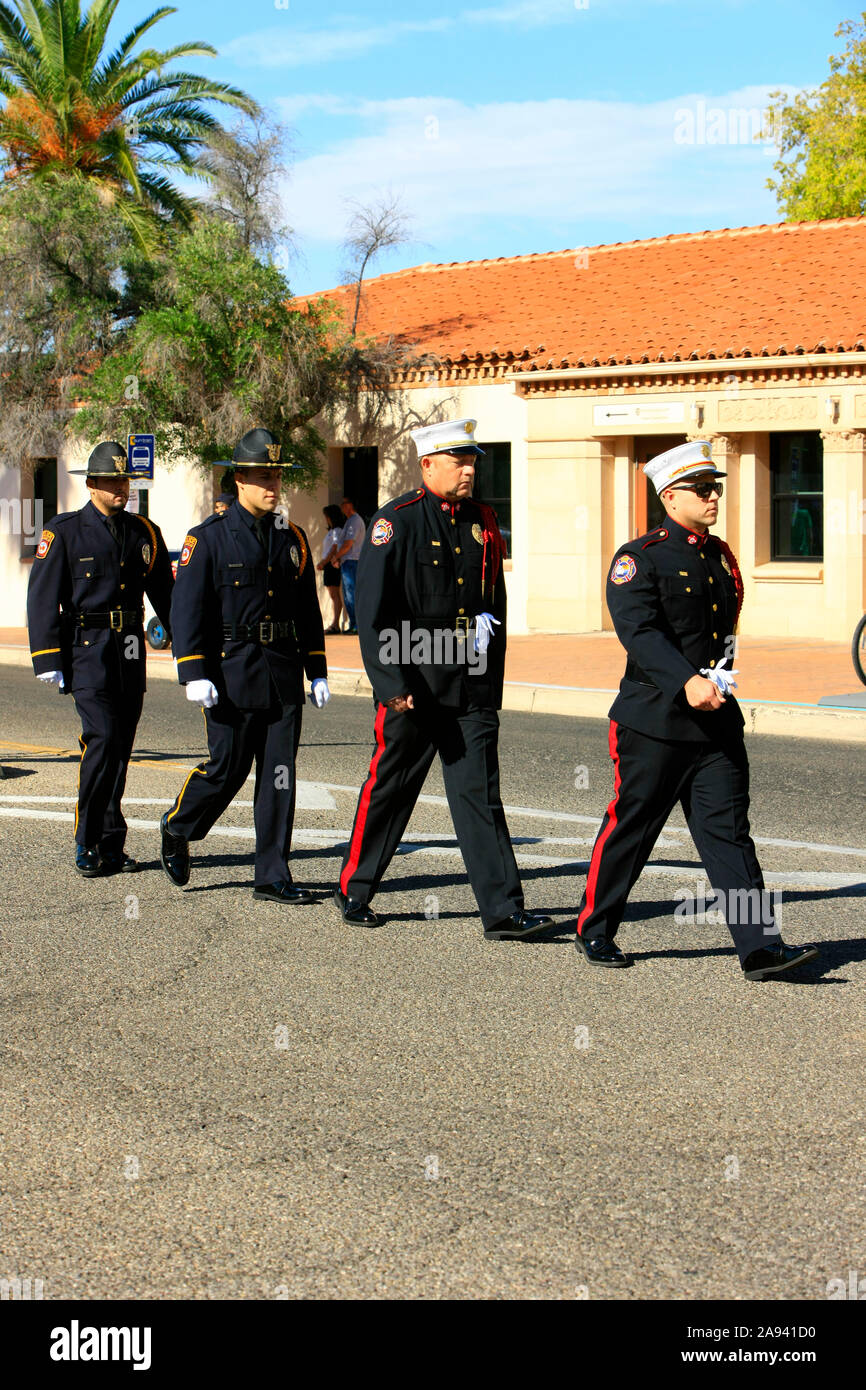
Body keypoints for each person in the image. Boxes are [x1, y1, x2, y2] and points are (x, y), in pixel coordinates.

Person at [574, 439, 819, 982]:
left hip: (715, 721)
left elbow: (723, 629)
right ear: (669, 495)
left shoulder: (720, 553)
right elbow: (638, 631)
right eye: (701, 490)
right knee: (633, 827)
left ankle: (760, 947)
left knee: (729, 831)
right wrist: (685, 680)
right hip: (654, 720)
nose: (712, 498)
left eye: (715, 489)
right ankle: (595, 927)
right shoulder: (639, 557)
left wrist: (720, 675)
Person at [334, 417, 553, 941]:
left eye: (473, 461)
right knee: (391, 788)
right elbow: (374, 610)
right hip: (414, 684)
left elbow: (490, 606)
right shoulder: (397, 522)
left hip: (469, 682)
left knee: (480, 794)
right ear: (427, 464)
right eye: (459, 461)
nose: (469, 470)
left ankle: (503, 911)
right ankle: (354, 887)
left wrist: (489, 680)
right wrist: (391, 684)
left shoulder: (481, 519)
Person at [160, 428, 330, 904]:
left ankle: (272, 874)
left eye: (276, 476)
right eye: (261, 477)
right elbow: (186, 610)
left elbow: (306, 611)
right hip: (230, 673)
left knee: (280, 774)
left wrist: (315, 668)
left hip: (282, 673)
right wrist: (193, 672)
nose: (272, 486)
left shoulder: (291, 538)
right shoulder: (208, 538)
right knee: (227, 768)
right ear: (238, 479)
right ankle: (179, 825)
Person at [27, 441, 174, 876]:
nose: (120, 489)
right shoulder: (65, 531)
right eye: (111, 481)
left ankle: (112, 843)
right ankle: (86, 839)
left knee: (121, 750)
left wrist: (192, 651)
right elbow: (42, 597)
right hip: (86, 651)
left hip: (129, 653)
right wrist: (47, 656)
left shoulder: (143, 532)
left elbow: (167, 596)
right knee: (103, 739)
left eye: (124, 480)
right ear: (91, 484)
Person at [332, 496, 365, 634]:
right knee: (348, 595)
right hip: (348, 561)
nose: (341, 506)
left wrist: (336, 557)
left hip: (352, 561)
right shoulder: (350, 521)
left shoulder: (354, 521)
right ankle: (353, 624)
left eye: (344, 503)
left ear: (350, 505)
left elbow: (348, 544)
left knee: (352, 594)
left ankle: (356, 625)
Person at [316, 503, 345, 633]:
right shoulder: (332, 531)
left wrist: (323, 562)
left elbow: (334, 548)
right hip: (328, 565)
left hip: (331, 565)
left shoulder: (337, 531)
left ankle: (335, 624)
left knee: (335, 594)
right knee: (333, 594)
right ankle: (335, 623)